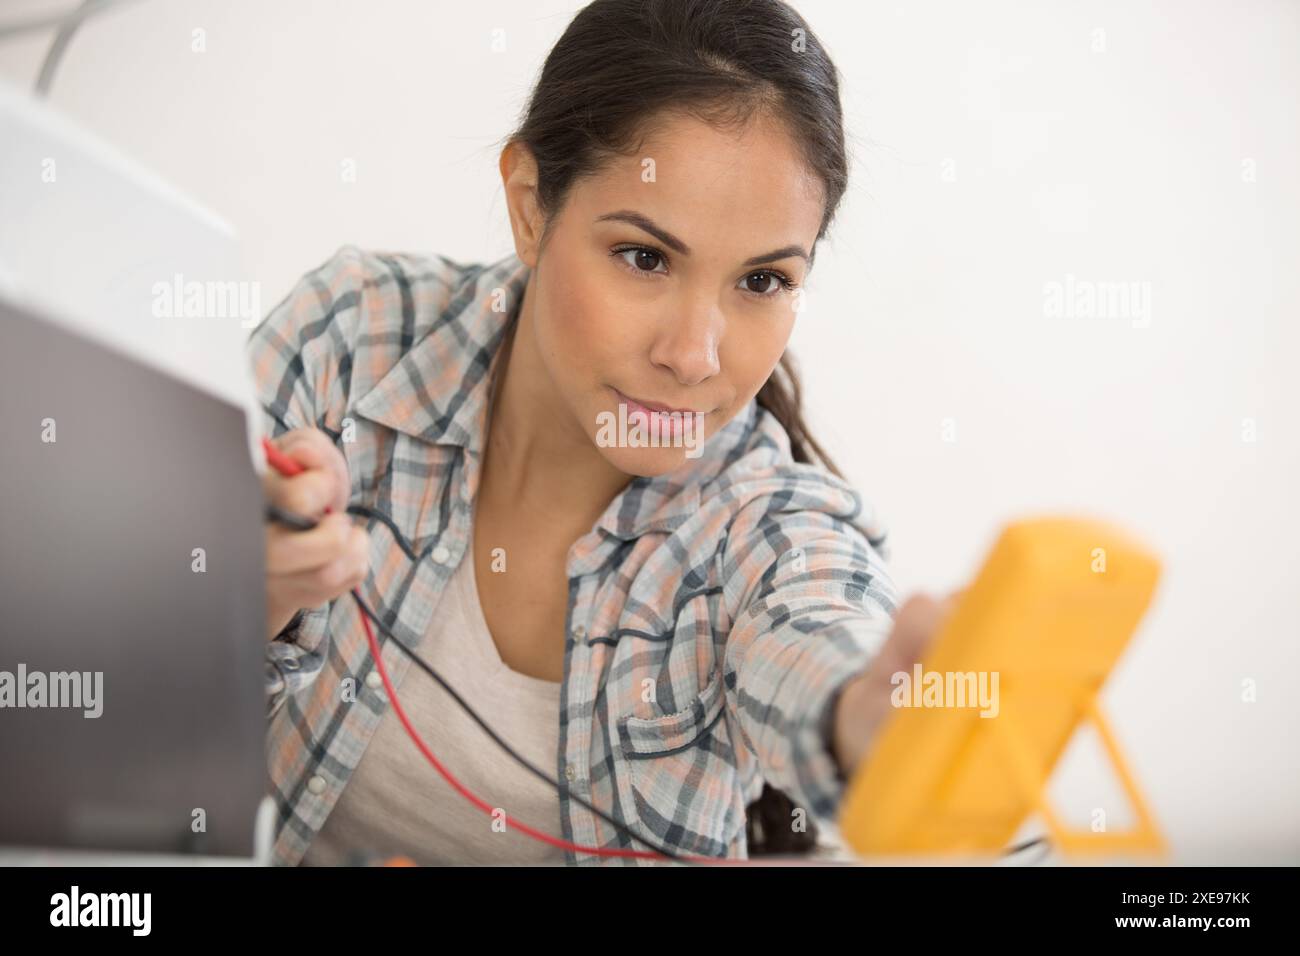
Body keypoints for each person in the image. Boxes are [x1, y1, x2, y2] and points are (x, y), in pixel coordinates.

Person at [250, 0, 950, 867]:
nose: (694, 356)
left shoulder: (763, 529)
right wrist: (246, 596)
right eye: (646, 257)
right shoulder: (354, 338)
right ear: (530, 207)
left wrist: (865, 719)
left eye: (763, 281)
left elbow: (816, 627)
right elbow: (106, 693)